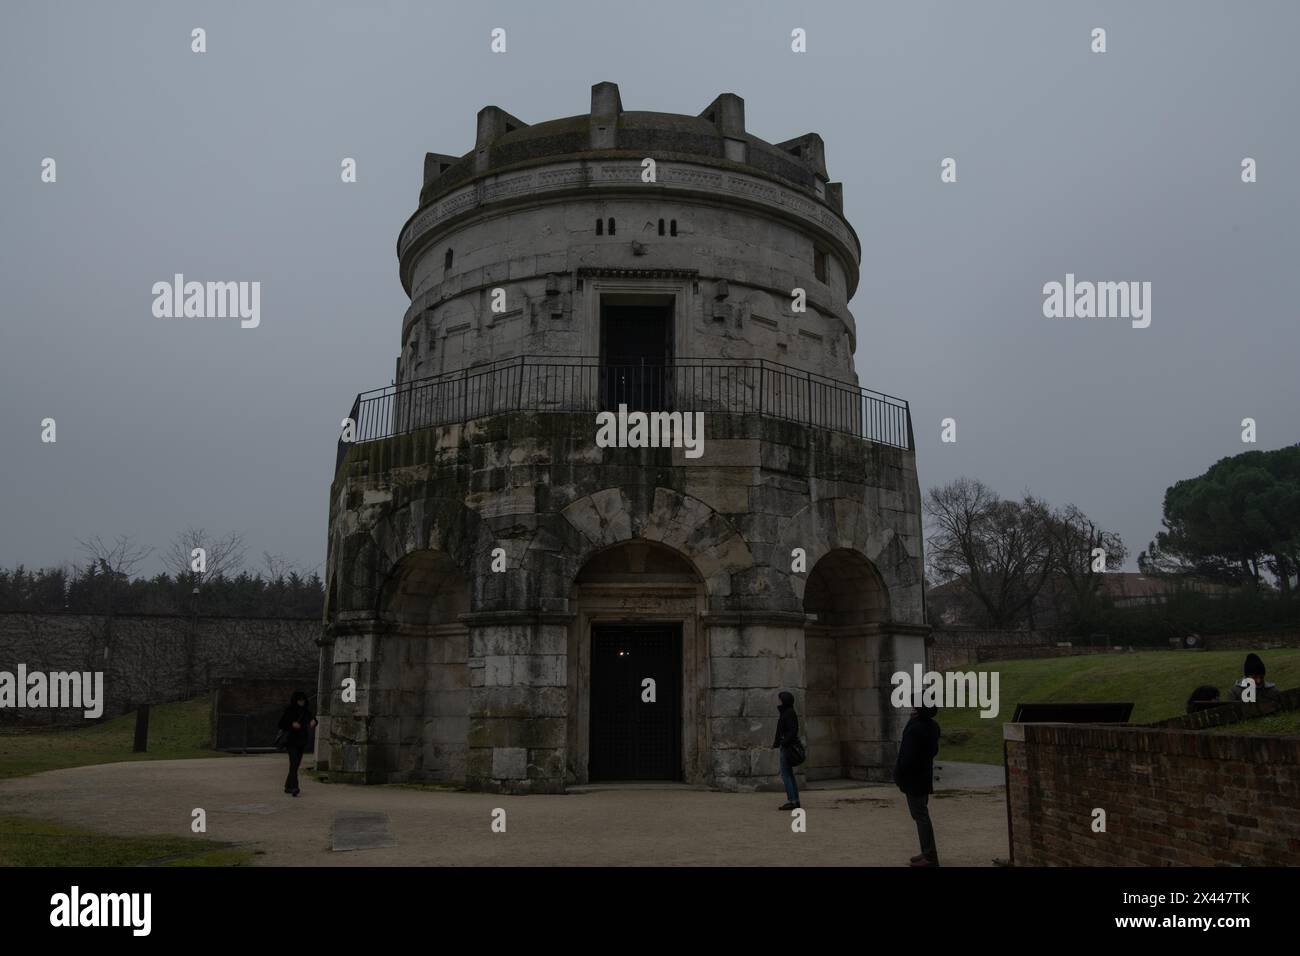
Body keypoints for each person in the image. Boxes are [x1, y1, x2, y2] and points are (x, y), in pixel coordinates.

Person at [894, 704, 940, 867]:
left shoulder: (916, 728)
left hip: (913, 778)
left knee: (920, 816)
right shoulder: (932, 726)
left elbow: (906, 754)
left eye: (916, 708)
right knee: (920, 815)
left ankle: (930, 856)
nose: (912, 710)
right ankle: (927, 852)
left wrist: (899, 775)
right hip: (922, 776)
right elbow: (934, 750)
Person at [277, 690, 317, 796]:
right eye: (299, 700)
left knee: (295, 764)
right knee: (294, 763)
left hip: (301, 741)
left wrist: (314, 722)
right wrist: (292, 724)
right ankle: (294, 787)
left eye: (303, 700)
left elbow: (313, 719)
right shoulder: (289, 710)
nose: (301, 702)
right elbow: (281, 724)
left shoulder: (306, 711)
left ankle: (288, 786)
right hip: (291, 740)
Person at [772, 690, 800, 811]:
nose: (778, 701)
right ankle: (795, 800)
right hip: (786, 746)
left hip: (787, 747)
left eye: (780, 699)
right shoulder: (787, 712)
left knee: (786, 775)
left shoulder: (788, 713)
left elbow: (792, 731)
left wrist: (783, 743)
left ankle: (792, 800)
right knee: (789, 774)